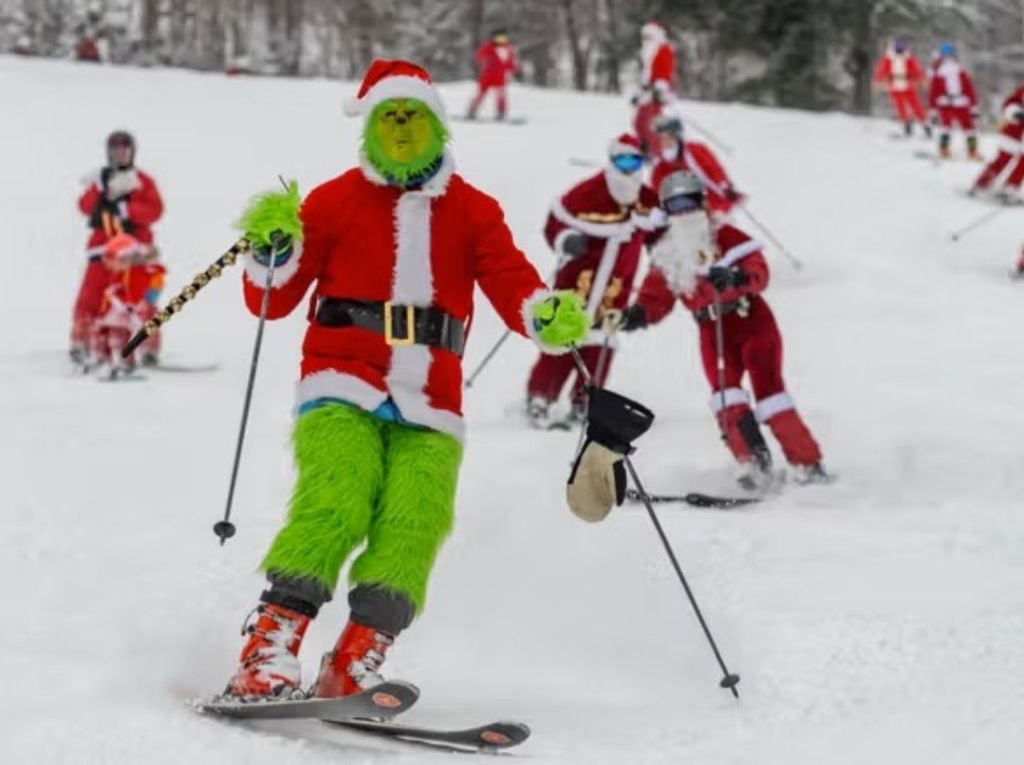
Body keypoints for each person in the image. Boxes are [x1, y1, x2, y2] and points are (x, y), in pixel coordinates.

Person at [221, 59, 589, 701]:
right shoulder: (334, 200)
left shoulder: (474, 211)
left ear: (437, 127)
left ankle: (356, 658)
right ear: (367, 127)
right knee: (338, 496)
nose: (398, 128)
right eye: (387, 116)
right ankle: (268, 648)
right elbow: (272, 301)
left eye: (410, 116)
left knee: (416, 521)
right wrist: (270, 249)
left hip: (433, 399)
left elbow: (511, 280)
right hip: (343, 378)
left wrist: (543, 313)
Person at [610, 171, 827, 487]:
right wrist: (637, 315)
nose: (684, 213)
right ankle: (753, 464)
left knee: (771, 395)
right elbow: (656, 296)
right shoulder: (668, 253)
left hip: (750, 321)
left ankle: (808, 463)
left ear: (701, 203)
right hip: (711, 331)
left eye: (689, 203)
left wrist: (737, 277)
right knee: (726, 397)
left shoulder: (725, 236)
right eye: (675, 206)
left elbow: (758, 270)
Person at [524, 133, 664, 428]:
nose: (628, 168)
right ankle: (541, 396)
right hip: (577, 282)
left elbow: (660, 233)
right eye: (622, 160)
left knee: (601, 343)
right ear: (612, 160)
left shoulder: (647, 200)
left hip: (617, 286)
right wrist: (565, 240)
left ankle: (585, 400)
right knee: (562, 338)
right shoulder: (586, 193)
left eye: (634, 160)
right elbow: (555, 223)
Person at [72, 131, 164, 367]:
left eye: (125, 150)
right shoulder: (100, 180)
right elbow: (84, 206)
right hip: (102, 251)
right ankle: (85, 342)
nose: (120, 154)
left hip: (134, 253)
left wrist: (125, 208)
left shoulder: (142, 180)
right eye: (115, 150)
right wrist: (101, 189)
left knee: (139, 299)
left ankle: (146, 346)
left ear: (132, 152)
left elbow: (155, 210)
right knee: (92, 299)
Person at [90, 233, 166, 375]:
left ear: (125, 257)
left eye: (111, 258)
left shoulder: (137, 273)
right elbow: (112, 293)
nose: (107, 263)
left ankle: (146, 354)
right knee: (108, 331)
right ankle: (104, 358)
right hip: (122, 310)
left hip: (135, 309)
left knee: (144, 327)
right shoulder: (120, 272)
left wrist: (128, 304)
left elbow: (135, 294)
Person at [650, 114, 743, 225]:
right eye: (662, 138)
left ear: (678, 137)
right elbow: (656, 190)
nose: (665, 142)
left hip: (711, 209)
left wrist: (722, 208)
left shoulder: (694, 152)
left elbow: (717, 180)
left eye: (669, 137)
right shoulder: (662, 162)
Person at [631, 21, 676, 158]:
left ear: (656, 36)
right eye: (644, 37)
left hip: (657, 92)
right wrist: (639, 93)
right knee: (640, 123)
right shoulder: (649, 52)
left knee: (649, 124)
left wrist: (659, 88)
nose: (646, 40)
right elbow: (646, 76)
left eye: (649, 36)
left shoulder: (663, 49)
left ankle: (656, 153)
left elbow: (665, 72)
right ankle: (645, 150)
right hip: (648, 92)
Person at [971, 83, 1024, 201]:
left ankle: (1010, 188)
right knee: (1002, 159)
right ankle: (982, 183)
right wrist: (1015, 112)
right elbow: (1010, 102)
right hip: (1014, 132)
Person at [928, 43, 980, 160]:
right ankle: (944, 149)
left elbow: (969, 90)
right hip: (945, 103)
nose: (948, 59)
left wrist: (973, 107)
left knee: (969, 127)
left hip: (961, 102)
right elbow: (933, 93)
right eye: (946, 56)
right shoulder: (938, 74)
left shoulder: (961, 72)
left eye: (950, 56)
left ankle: (972, 152)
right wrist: (933, 111)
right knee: (946, 126)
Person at [874, 37, 930, 137]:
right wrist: (878, 81)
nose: (900, 48)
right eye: (898, 46)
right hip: (895, 86)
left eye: (902, 46)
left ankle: (925, 125)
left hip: (908, 85)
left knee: (915, 106)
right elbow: (881, 70)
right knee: (900, 107)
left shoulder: (909, 58)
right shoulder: (888, 58)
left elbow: (917, 71)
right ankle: (906, 126)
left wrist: (921, 80)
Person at [466, 29, 519, 120]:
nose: (501, 41)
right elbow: (479, 55)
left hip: (500, 76)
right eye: (499, 39)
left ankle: (501, 113)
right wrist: (486, 59)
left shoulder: (508, 49)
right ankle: (472, 111)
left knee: (501, 95)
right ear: (494, 39)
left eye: (503, 39)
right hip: (488, 75)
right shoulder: (488, 47)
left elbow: (510, 62)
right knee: (481, 93)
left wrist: (515, 70)